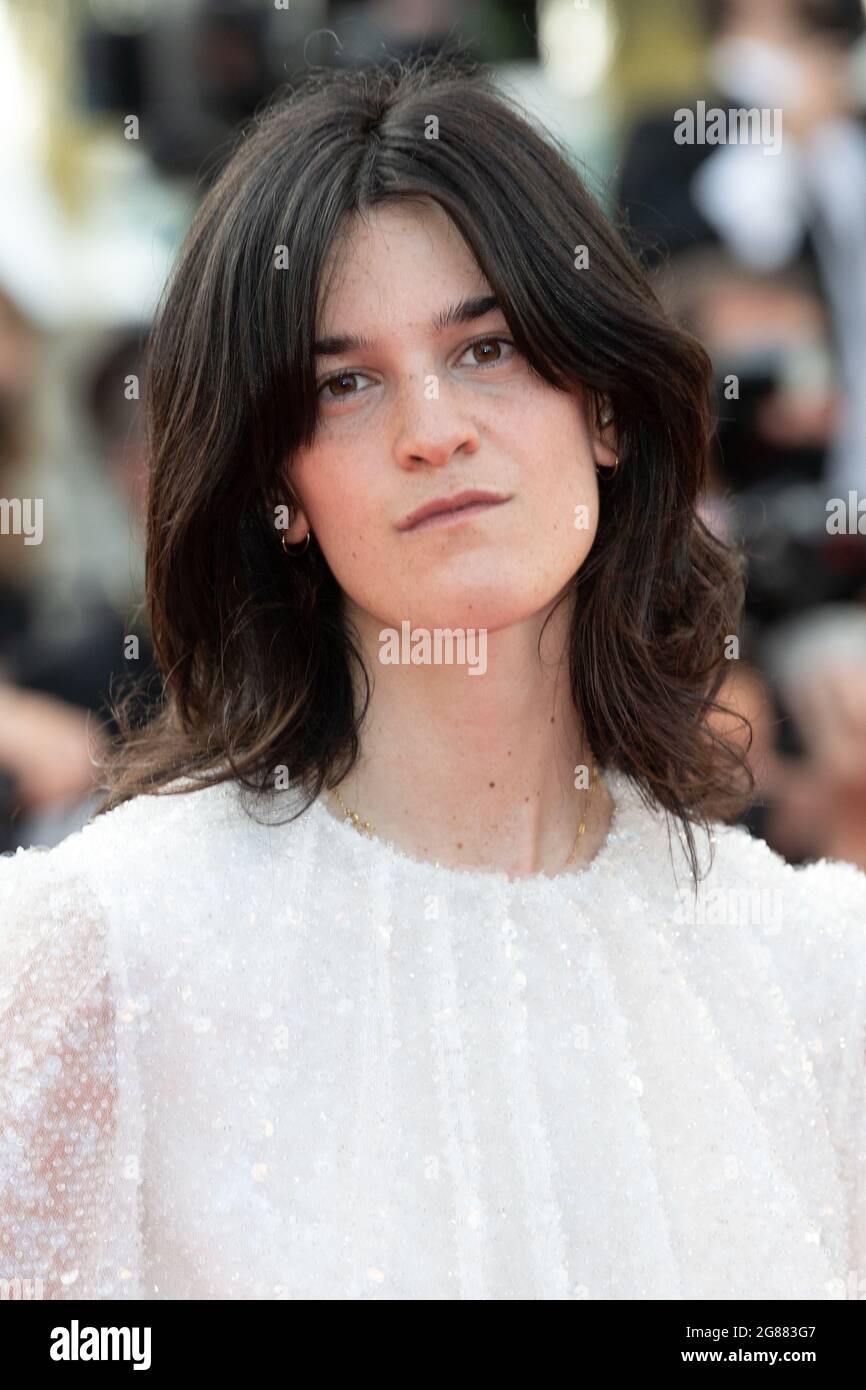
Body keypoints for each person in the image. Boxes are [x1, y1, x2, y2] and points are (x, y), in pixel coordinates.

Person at [1, 57, 865, 1303]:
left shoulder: (812, 977)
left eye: (489, 348)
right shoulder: (108, 963)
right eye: (343, 383)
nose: (431, 428)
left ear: (606, 409)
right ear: (279, 488)